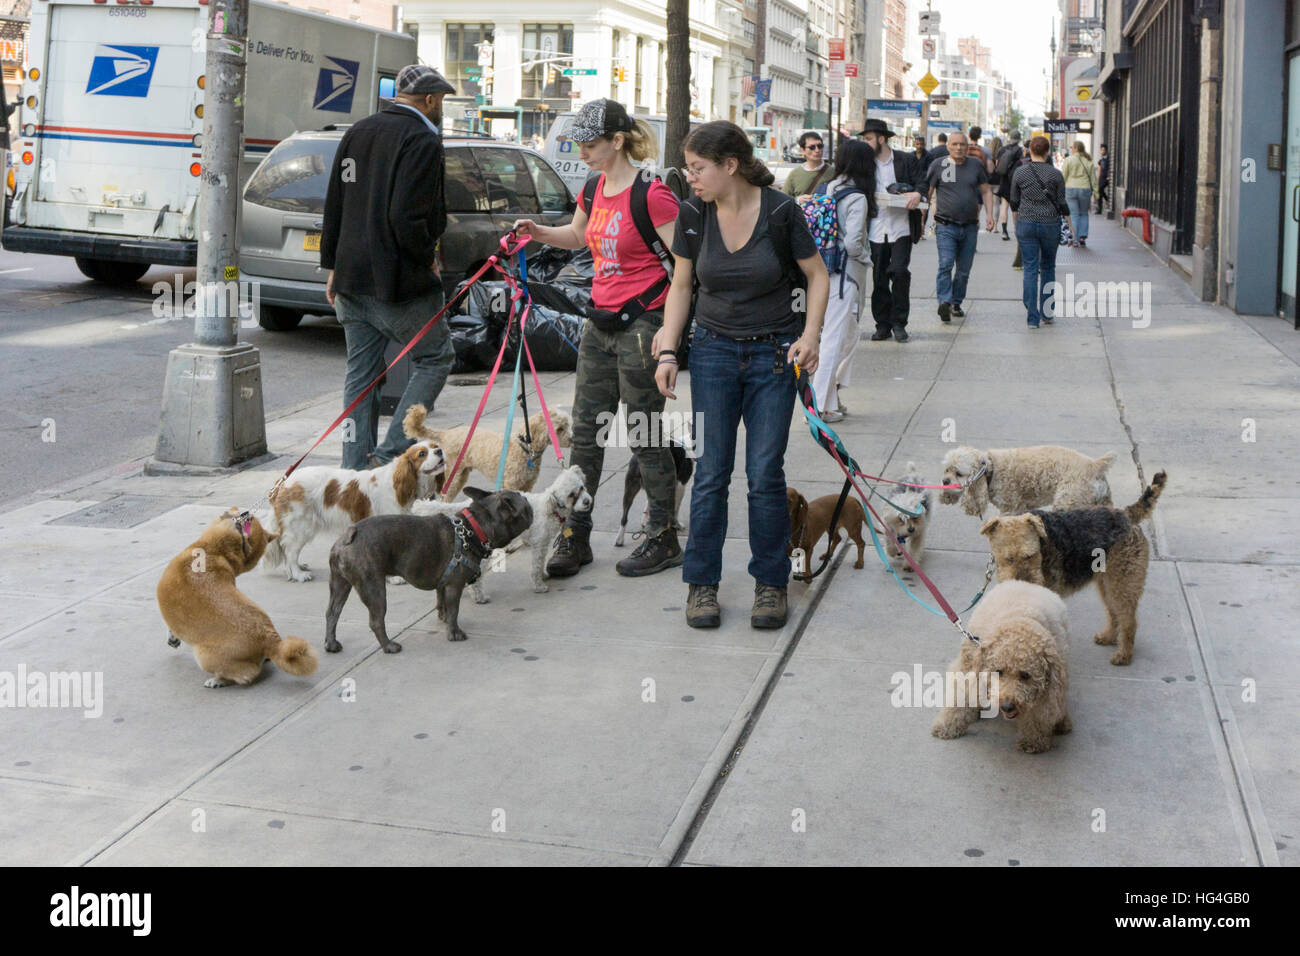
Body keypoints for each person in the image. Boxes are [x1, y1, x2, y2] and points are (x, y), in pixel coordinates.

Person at [653, 121, 828, 631]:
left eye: (699, 169)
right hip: (712, 354)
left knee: (764, 477)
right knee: (710, 474)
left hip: (775, 356)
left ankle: (770, 584)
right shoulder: (693, 215)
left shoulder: (779, 210)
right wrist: (668, 350)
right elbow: (681, 286)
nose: (692, 180)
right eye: (689, 170)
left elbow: (818, 275)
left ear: (730, 165)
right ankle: (701, 583)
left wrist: (811, 335)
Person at [512, 98, 683, 579]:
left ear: (617, 141)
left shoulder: (652, 196)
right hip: (599, 322)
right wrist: (538, 232)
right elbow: (578, 236)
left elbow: (687, 267)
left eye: (590, 145)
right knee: (585, 432)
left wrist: (669, 336)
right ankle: (576, 533)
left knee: (643, 431)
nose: (582, 153)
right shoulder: (593, 187)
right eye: (578, 145)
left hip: (643, 323)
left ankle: (663, 535)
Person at [322, 64, 458, 470]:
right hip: (396, 282)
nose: (441, 109)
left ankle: (353, 470)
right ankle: (388, 457)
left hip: (350, 281)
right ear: (430, 100)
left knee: (360, 376)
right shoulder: (422, 139)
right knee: (436, 357)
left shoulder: (357, 131)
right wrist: (427, 261)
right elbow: (407, 217)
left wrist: (333, 265)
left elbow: (335, 205)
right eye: (442, 101)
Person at [812, 139, 874, 422]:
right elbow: (853, 244)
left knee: (848, 335)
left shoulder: (826, 188)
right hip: (845, 273)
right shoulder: (858, 197)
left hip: (822, 270)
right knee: (834, 339)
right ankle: (817, 406)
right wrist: (866, 257)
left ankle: (831, 399)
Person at [860, 118, 924, 343]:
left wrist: (917, 193)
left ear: (881, 138)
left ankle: (899, 323)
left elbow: (921, 183)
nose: (866, 143)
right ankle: (882, 325)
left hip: (901, 228)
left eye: (869, 139)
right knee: (879, 279)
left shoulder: (905, 160)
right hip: (876, 229)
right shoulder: (865, 164)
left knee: (898, 272)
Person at [927, 130, 995, 322]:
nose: (958, 148)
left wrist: (990, 215)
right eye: (955, 144)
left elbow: (986, 191)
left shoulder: (975, 165)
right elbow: (928, 191)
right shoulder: (938, 165)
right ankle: (944, 302)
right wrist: (922, 217)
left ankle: (956, 303)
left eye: (962, 144)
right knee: (946, 264)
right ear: (948, 146)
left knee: (964, 270)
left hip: (970, 226)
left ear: (967, 147)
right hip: (945, 225)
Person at [1010, 135, 1076, 328]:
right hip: (1050, 225)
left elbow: (1014, 203)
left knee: (1030, 269)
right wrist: (1071, 228)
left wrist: (1016, 225)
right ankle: (1047, 313)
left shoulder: (1020, 173)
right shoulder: (1055, 174)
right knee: (1048, 267)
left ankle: (1032, 318)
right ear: (1048, 152)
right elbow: (1062, 203)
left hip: (1026, 223)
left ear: (1030, 150)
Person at [1062, 141, 1098, 247]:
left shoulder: (1068, 160)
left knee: (1074, 214)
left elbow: (1064, 176)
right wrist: (1096, 192)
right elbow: (1093, 179)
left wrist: (1060, 190)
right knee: (1083, 213)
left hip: (1070, 189)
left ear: (1076, 148)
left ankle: (1075, 239)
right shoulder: (1088, 161)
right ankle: (1082, 236)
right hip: (1085, 189)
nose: (1071, 149)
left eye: (1072, 147)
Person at [992, 130, 1024, 241]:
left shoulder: (1002, 149)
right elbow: (1021, 165)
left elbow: (997, 165)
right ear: (1019, 139)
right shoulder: (1019, 151)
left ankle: (1004, 232)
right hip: (1015, 181)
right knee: (1015, 208)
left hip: (1003, 180)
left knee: (1004, 206)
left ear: (1010, 138)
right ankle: (1016, 229)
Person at [782, 131, 831, 198]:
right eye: (812, 147)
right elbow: (784, 200)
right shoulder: (794, 174)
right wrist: (798, 200)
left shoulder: (834, 172)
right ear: (803, 150)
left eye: (820, 146)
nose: (817, 150)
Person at [1096, 143, 1110, 214]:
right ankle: (1100, 209)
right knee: (1100, 191)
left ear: (1106, 150)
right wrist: (1097, 179)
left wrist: (1108, 176)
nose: (1102, 151)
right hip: (1101, 178)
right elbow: (1099, 169)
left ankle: (1107, 201)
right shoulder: (1101, 160)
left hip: (1106, 178)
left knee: (1100, 190)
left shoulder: (1109, 159)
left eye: (1103, 150)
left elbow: (1110, 168)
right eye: (1101, 150)